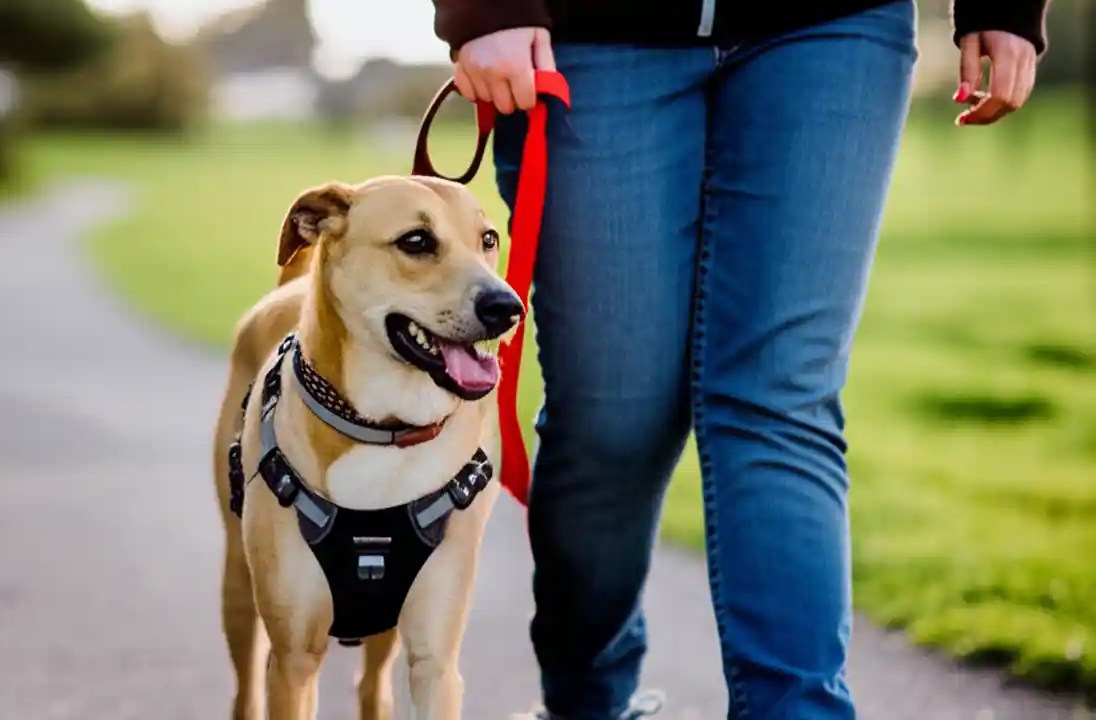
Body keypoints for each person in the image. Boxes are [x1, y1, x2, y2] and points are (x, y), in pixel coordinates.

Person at [429, 0, 1048, 718]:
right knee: (612, 417)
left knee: (780, 399)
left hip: (833, 26)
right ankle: (586, 702)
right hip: (594, 33)